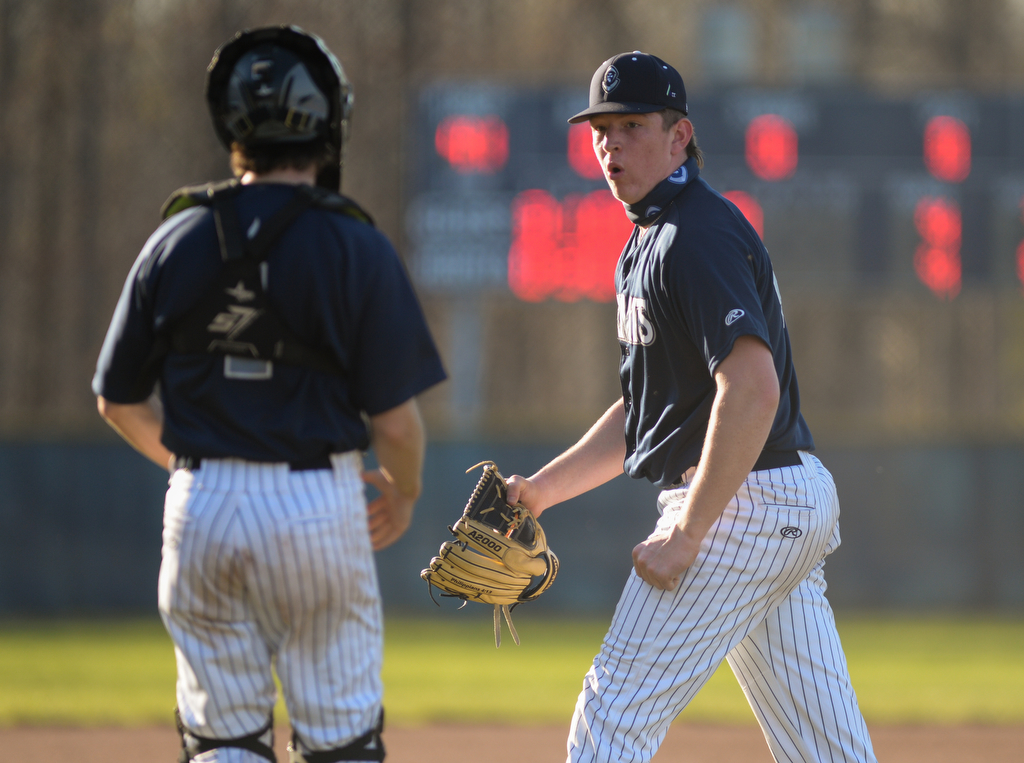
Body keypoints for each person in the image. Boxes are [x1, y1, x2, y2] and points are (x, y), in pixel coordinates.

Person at [505, 52, 877, 763]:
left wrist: (688, 532)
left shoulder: (694, 234)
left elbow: (753, 389)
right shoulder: (650, 239)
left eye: (633, 127)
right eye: (601, 131)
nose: (611, 145)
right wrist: (542, 491)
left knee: (613, 714)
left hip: (743, 505)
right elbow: (644, 412)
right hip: (780, 500)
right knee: (825, 749)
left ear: (680, 137)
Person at [92, 26, 446, 763]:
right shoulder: (355, 244)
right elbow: (397, 427)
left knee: (221, 740)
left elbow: (117, 400)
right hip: (316, 504)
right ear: (327, 124)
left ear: (231, 125)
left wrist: (196, 469)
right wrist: (405, 493)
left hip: (199, 505)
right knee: (341, 741)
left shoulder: (175, 237)